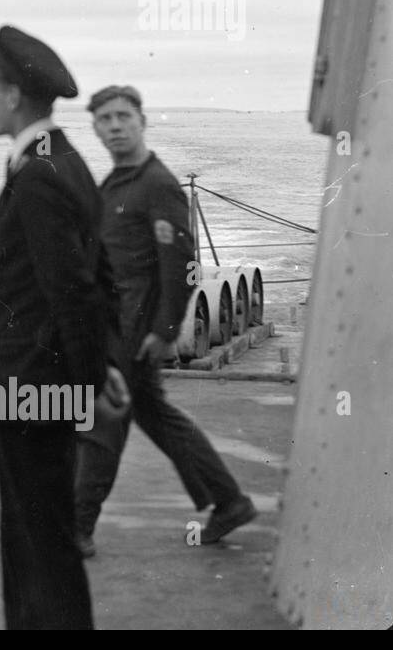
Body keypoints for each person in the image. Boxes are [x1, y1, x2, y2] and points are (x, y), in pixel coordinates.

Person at [0, 26, 127, 630]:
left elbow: (73, 289)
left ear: (13, 95)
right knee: (42, 537)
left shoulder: (36, 175)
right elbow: (103, 272)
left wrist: (92, 379)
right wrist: (103, 369)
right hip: (45, 384)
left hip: (30, 386)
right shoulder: (64, 161)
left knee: (36, 542)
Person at [74, 84, 257, 557]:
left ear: (142, 120)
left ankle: (77, 527)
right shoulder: (115, 183)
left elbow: (179, 265)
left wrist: (165, 330)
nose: (114, 126)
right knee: (157, 417)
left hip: (134, 332)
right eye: (104, 119)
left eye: (122, 116)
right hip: (115, 324)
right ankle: (230, 501)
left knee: (101, 423)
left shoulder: (157, 185)